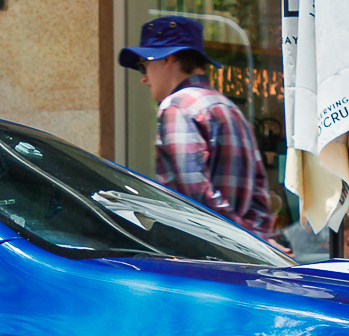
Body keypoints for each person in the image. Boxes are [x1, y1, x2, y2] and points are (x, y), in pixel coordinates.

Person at [118, 15, 277, 238]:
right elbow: (260, 197)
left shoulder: (176, 106)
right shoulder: (230, 109)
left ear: (169, 59)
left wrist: (246, 240)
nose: (143, 78)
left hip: (201, 256)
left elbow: (195, 197)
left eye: (143, 66)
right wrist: (260, 243)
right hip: (243, 259)